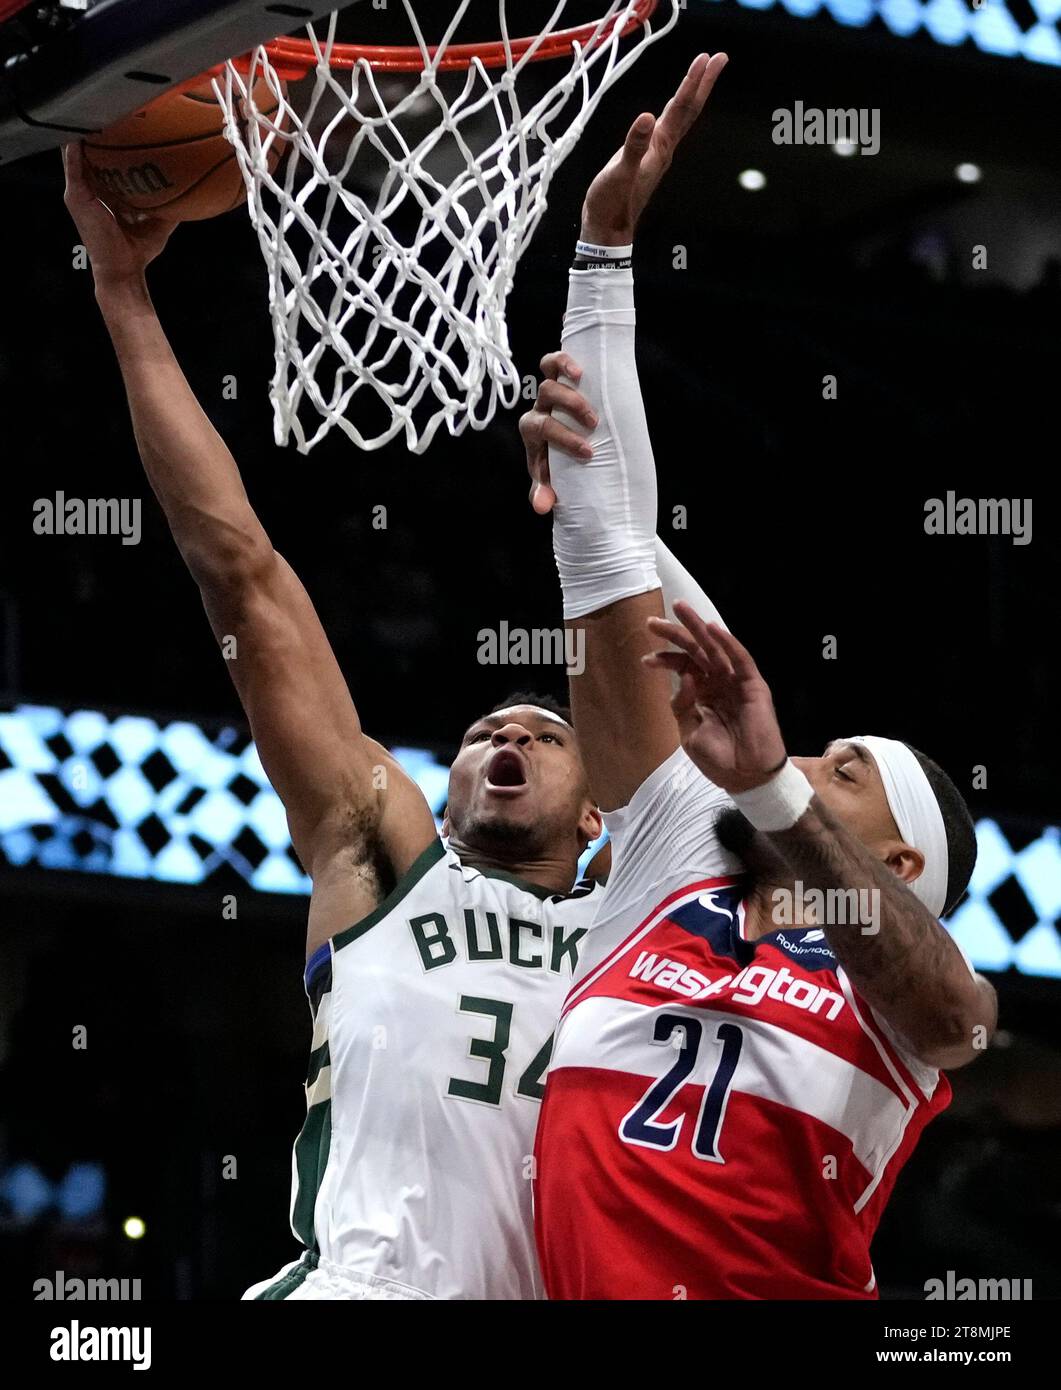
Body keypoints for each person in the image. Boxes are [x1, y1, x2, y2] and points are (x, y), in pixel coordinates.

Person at [62, 140, 606, 1301]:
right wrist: (123, 296)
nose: (500, 742)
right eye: (478, 737)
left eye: (541, 736)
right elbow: (242, 576)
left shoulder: (631, 925)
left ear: (599, 808)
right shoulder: (382, 847)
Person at [518, 51, 998, 1298]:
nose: (797, 765)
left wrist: (781, 805)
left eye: (840, 772)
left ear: (898, 867)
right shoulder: (681, 851)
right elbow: (612, 543)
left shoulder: (907, 1002)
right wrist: (601, 256)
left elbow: (954, 1018)